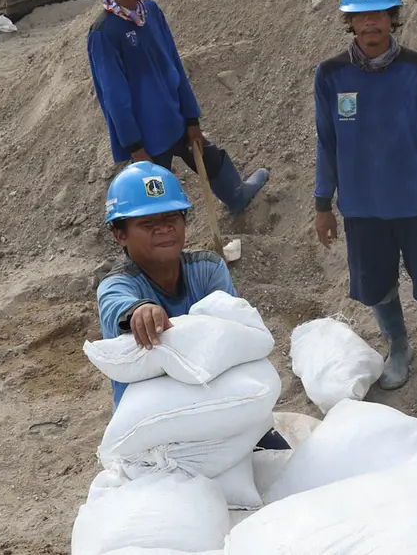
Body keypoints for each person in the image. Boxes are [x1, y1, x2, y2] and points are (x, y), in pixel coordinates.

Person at [311, 0, 417, 420]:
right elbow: (327, 142)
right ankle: (399, 347)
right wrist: (323, 204)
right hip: (362, 211)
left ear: (394, 15)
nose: (371, 24)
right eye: (361, 16)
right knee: (378, 289)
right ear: (350, 22)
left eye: (379, 13)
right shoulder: (331, 75)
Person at [95, 161, 289, 449]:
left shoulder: (208, 269)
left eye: (172, 218)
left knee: (277, 457)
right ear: (119, 234)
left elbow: (233, 334)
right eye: (147, 223)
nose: (163, 230)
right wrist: (141, 310)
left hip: (220, 405)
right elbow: (117, 305)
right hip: (156, 426)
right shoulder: (118, 285)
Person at [87, 0, 268, 215]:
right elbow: (115, 99)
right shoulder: (105, 33)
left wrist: (191, 117)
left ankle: (236, 195)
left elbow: (174, 64)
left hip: (174, 118)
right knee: (155, 197)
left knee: (209, 157)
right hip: (146, 136)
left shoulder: (151, 11)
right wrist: (135, 147)